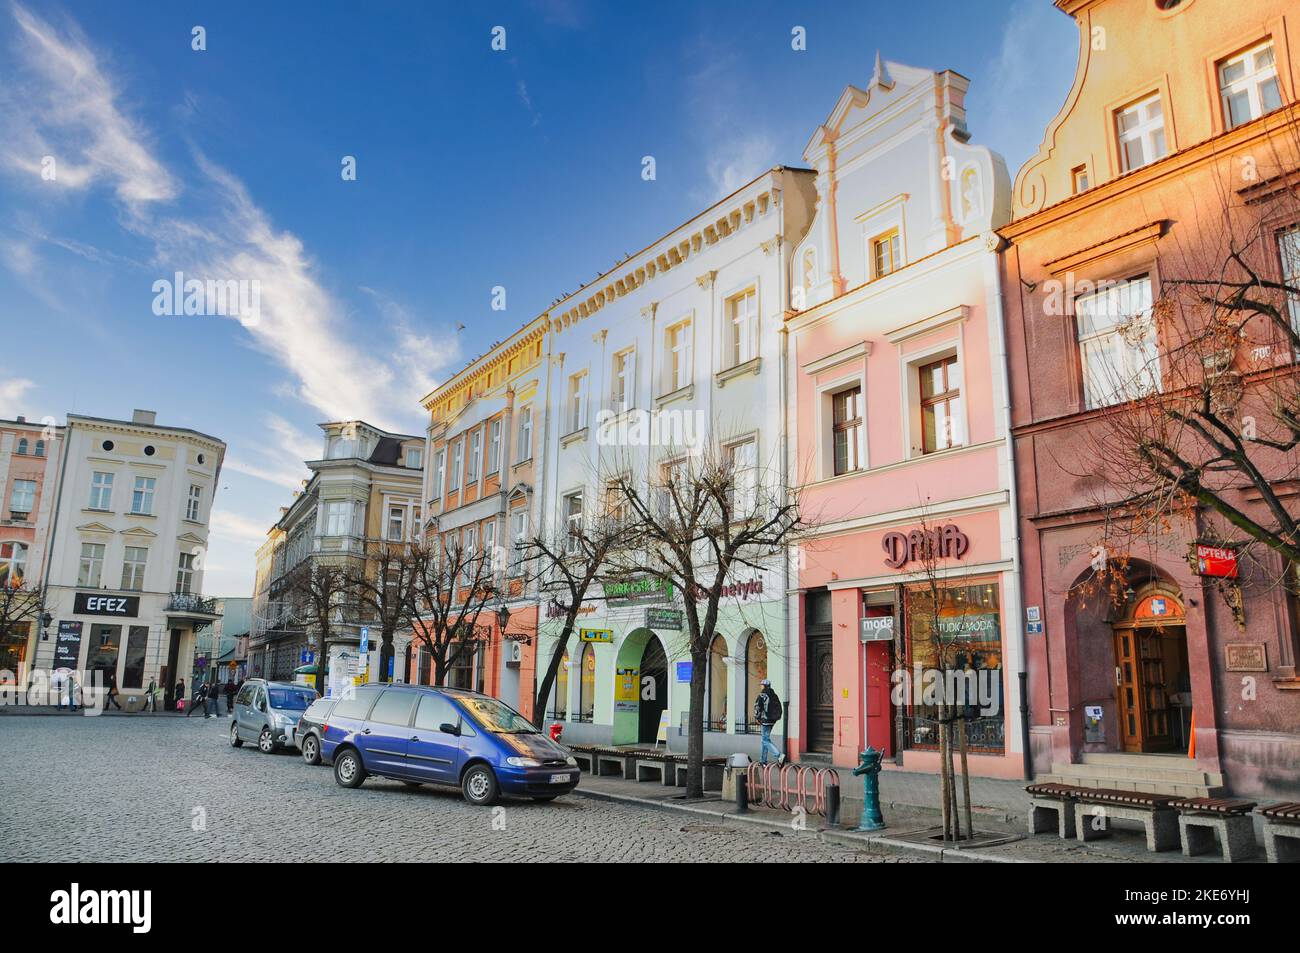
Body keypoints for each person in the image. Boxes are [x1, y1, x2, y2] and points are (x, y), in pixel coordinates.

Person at [753, 678, 784, 765]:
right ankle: (763, 760)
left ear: (764, 686)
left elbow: (757, 707)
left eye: (761, 685)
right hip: (772, 720)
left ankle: (779, 755)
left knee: (765, 740)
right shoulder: (774, 695)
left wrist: (757, 718)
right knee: (764, 739)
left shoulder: (762, 695)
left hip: (765, 720)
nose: (760, 687)